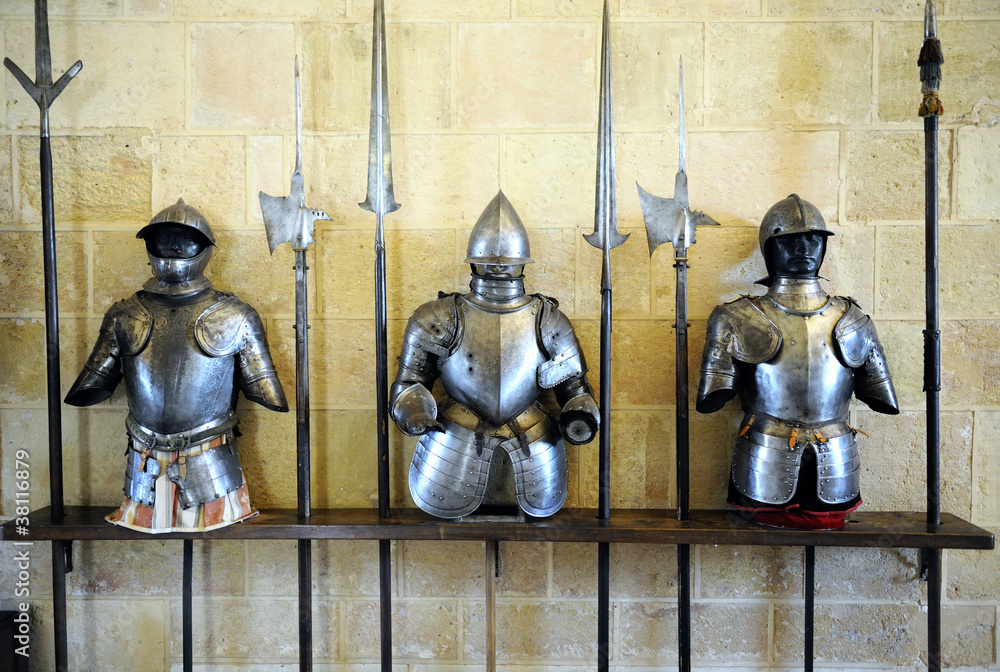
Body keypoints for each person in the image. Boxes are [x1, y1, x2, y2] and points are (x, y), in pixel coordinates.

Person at [65, 199, 288, 533]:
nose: (171, 250)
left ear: (204, 249)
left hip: (211, 462)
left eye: (182, 243)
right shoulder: (125, 314)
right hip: (143, 466)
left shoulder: (234, 316)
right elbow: (92, 385)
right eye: (163, 241)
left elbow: (267, 391)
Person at [390, 191, 599, 519]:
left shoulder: (548, 319)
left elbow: (576, 391)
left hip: (534, 435)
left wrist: (581, 417)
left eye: (507, 263)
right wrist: (415, 412)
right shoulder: (439, 316)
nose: (500, 268)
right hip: (454, 436)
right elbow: (409, 383)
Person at [696, 194, 898, 529]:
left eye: (813, 239)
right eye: (790, 240)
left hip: (836, 457)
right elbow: (712, 396)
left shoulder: (851, 318)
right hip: (763, 455)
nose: (804, 248)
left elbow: (880, 394)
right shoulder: (737, 317)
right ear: (769, 248)